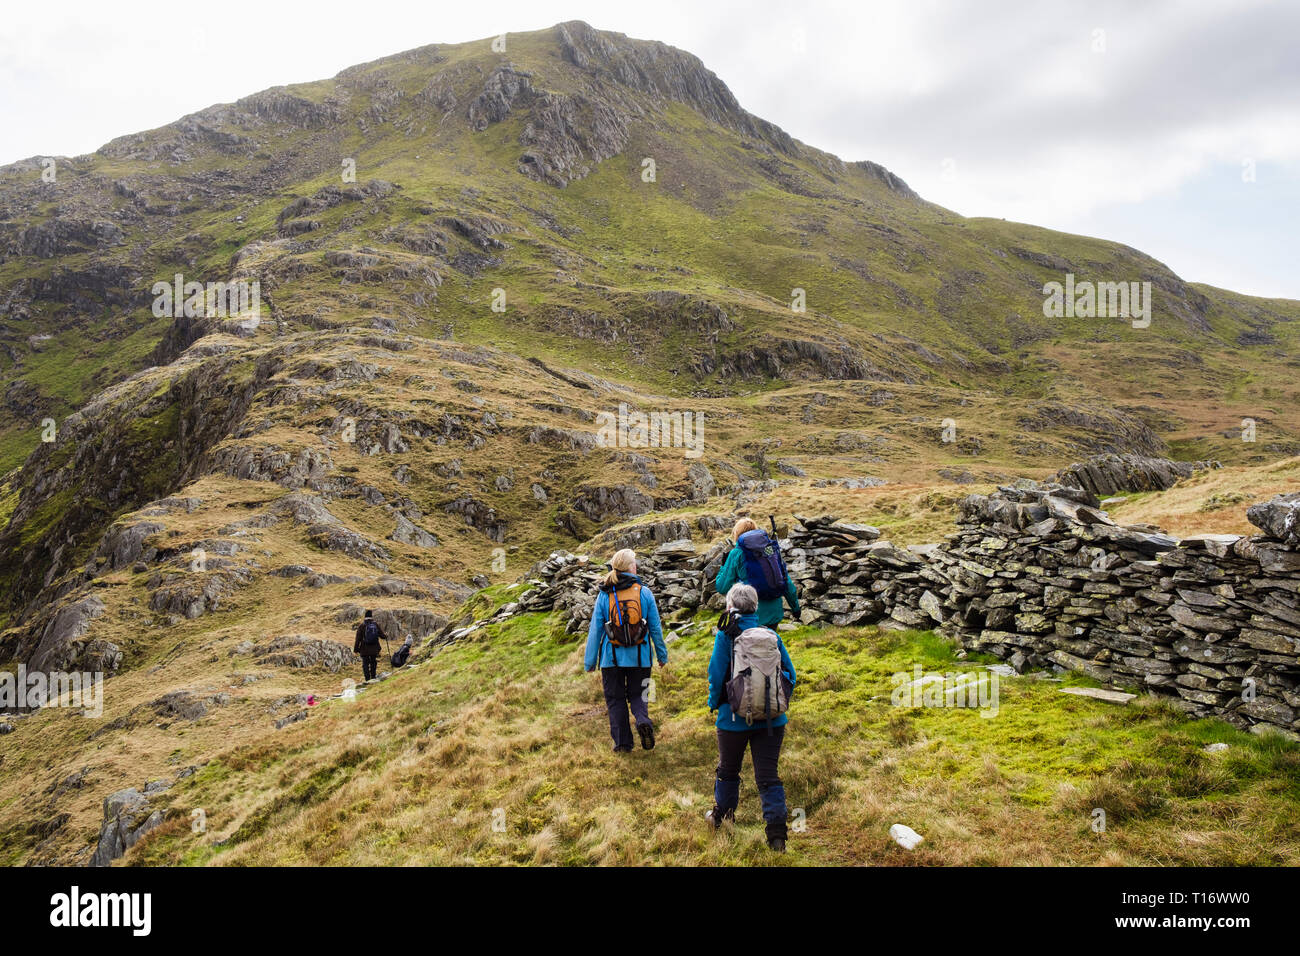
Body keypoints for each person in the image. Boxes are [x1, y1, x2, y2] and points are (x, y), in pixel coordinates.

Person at [706, 583, 797, 851]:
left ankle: (722, 818)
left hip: (732, 719)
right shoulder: (771, 635)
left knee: (728, 770)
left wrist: (715, 704)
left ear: (730, 607)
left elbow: (716, 674)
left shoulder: (726, 635)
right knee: (769, 776)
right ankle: (777, 836)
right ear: (755, 607)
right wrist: (776, 701)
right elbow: (791, 674)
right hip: (772, 720)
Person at [584, 549, 669, 753]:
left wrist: (590, 662)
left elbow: (595, 629)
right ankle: (642, 720)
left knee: (615, 699)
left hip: (610, 658)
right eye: (634, 563)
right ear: (631, 568)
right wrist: (662, 655)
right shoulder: (644, 592)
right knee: (640, 693)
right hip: (640, 658)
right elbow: (656, 628)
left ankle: (623, 744)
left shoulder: (605, 594)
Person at [714, 518, 800, 629]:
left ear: (737, 534)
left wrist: (723, 566)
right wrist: (795, 608)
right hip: (774, 615)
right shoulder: (769, 550)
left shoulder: (737, 553)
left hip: (748, 616)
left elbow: (722, 587)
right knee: (769, 644)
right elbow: (784, 580)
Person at [353, 609, 387, 681]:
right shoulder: (375, 625)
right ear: (371, 616)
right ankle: (373, 677)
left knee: (365, 664)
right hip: (374, 649)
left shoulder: (362, 626)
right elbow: (382, 635)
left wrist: (356, 649)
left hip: (364, 649)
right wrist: (385, 636)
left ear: (365, 617)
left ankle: (367, 679)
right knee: (373, 662)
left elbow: (358, 639)